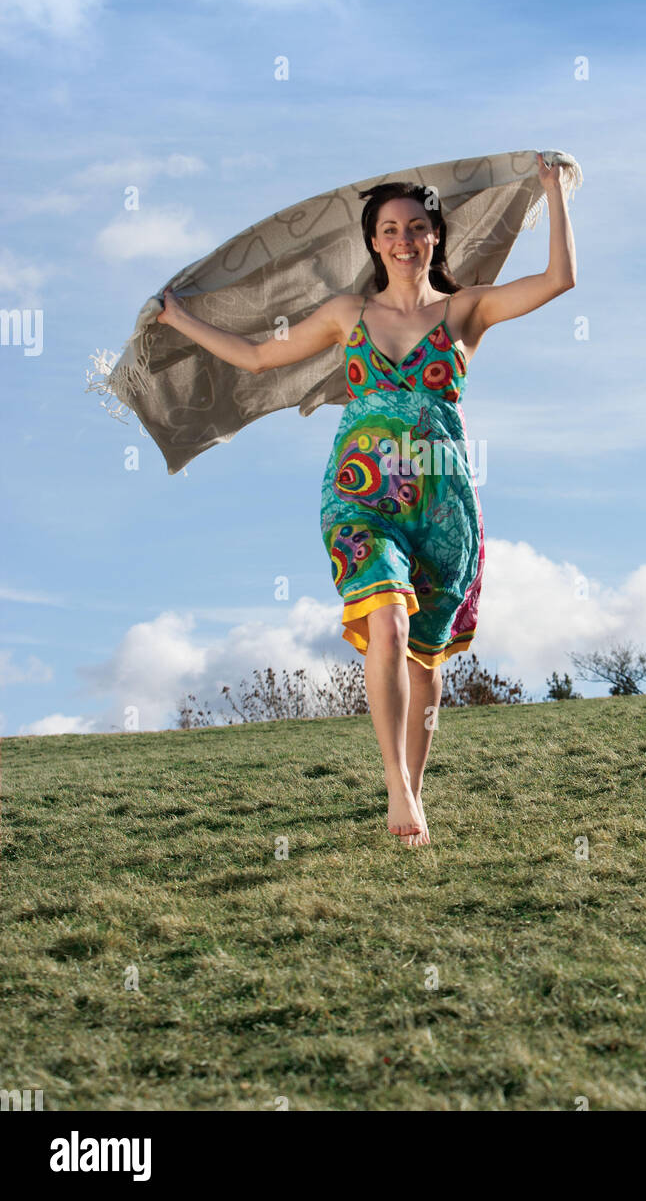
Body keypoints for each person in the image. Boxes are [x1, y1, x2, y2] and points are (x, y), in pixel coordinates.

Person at [157, 152, 576, 848]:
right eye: (389, 229)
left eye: (416, 226)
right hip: (361, 495)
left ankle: (414, 787)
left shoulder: (465, 311)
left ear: (435, 235)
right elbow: (260, 357)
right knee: (384, 626)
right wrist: (179, 320)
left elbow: (560, 279)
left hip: (443, 507)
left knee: (426, 667)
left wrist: (553, 192)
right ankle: (398, 789)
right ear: (373, 242)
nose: (403, 239)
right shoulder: (346, 313)